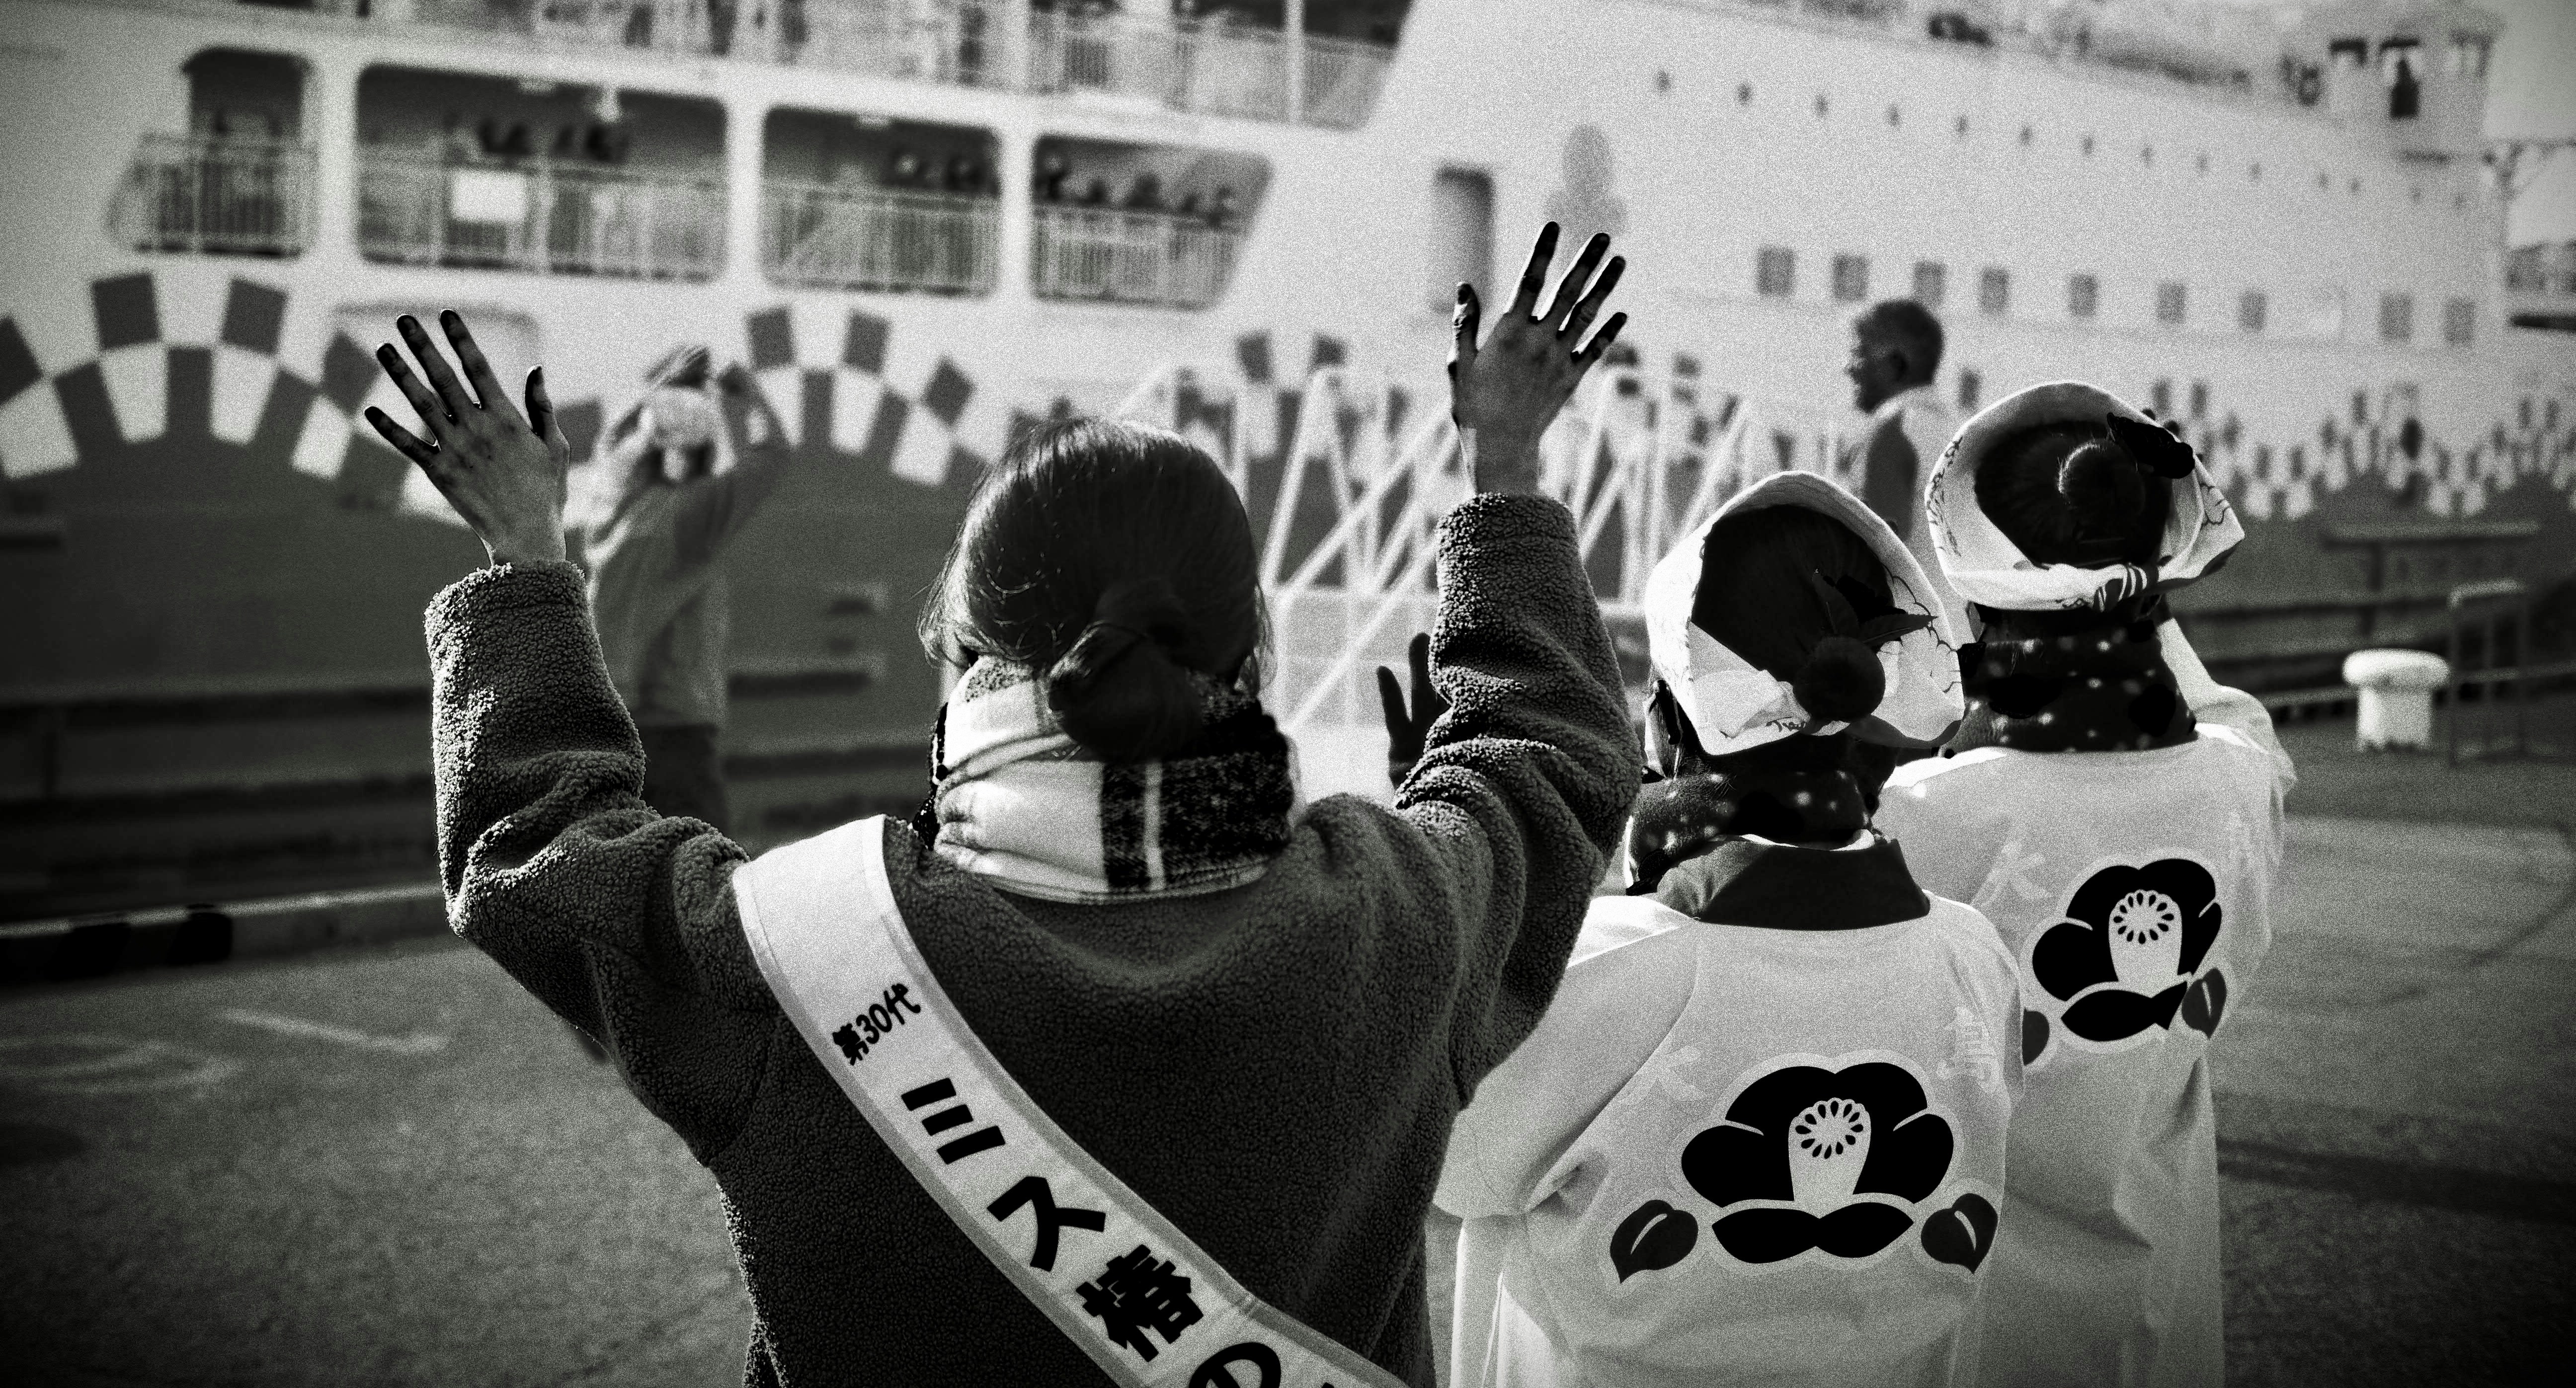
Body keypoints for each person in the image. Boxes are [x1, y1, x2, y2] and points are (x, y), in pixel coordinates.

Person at [362, 225, 1638, 1385]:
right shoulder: (1401, 922)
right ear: (1249, 651)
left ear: (963, 657)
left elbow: (540, 845)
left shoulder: (801, 951)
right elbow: (1544, 748)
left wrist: (524, 549)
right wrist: (1505, 460)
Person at [1431, 473, 2021, 1388]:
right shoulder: (1974, 959)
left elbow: (1445, 1156)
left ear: (1671, 721)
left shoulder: (1594, 971)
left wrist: (1460, 858)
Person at [1874, 383, 2292, 1388]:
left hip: (1975, 1302)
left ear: (1975, 584)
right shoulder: (2241, 780)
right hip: (2159, 1275)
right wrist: (2135, 564)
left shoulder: (1920, 814)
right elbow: (2220, 706)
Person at [564, 348, 788, 835]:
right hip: (674, 730)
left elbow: (611, 447)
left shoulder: (610, 506)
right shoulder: (692, 515)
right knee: (707, 868)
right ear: (705, 448)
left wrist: (657, 391)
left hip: (604, 723)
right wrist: (749, 392)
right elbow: (772, 455)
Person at [1843, 298, 1961, 634]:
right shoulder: (1956, 431)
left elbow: (1878, 555)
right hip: (1959, 632)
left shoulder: (1892, 430)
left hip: (1909, 640)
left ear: (1896, 364)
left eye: (1860, 354)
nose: (1849, 368)